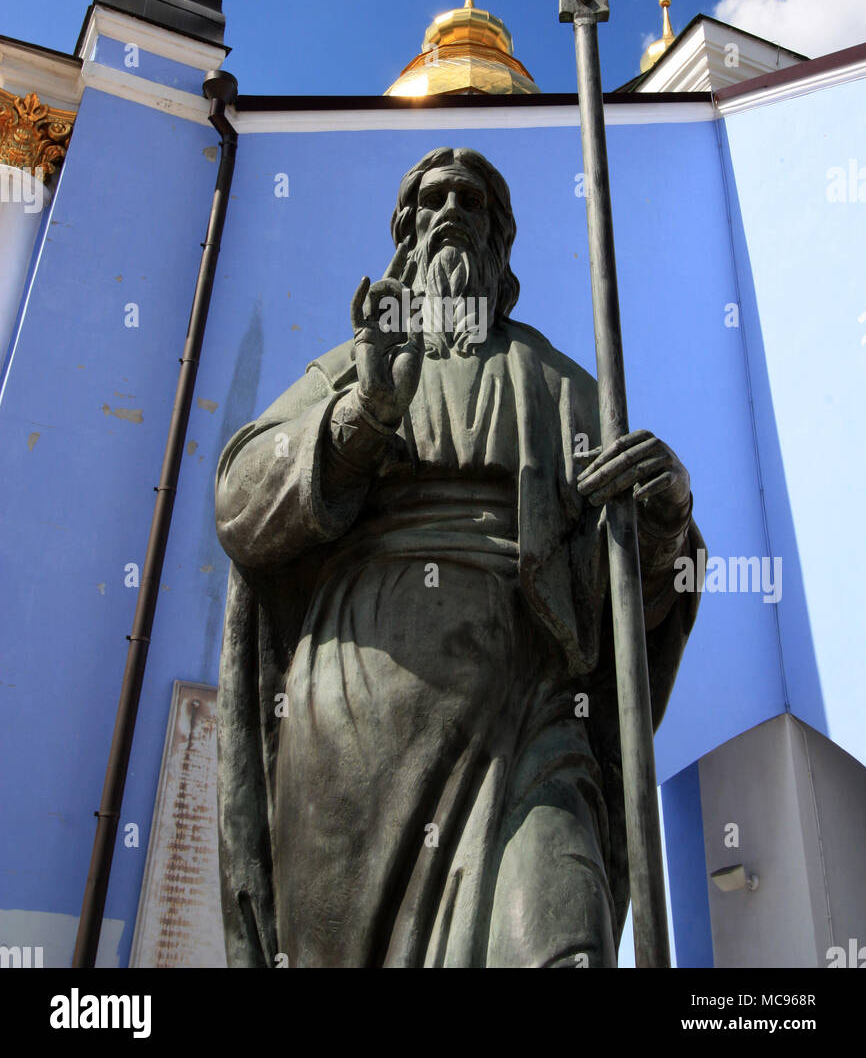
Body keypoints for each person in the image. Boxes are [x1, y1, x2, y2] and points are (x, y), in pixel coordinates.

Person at [215, 146, 702, 968]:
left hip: (530, 713)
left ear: (500, 242)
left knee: (563, 943)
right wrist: (361, 417)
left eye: (470, 202)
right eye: (431, 202)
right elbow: (240, 500)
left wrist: (662, 522)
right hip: (359, 716)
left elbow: (624, 592)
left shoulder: (562, 387)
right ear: (405, 237)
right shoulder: (348, 369)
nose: (449, 213)